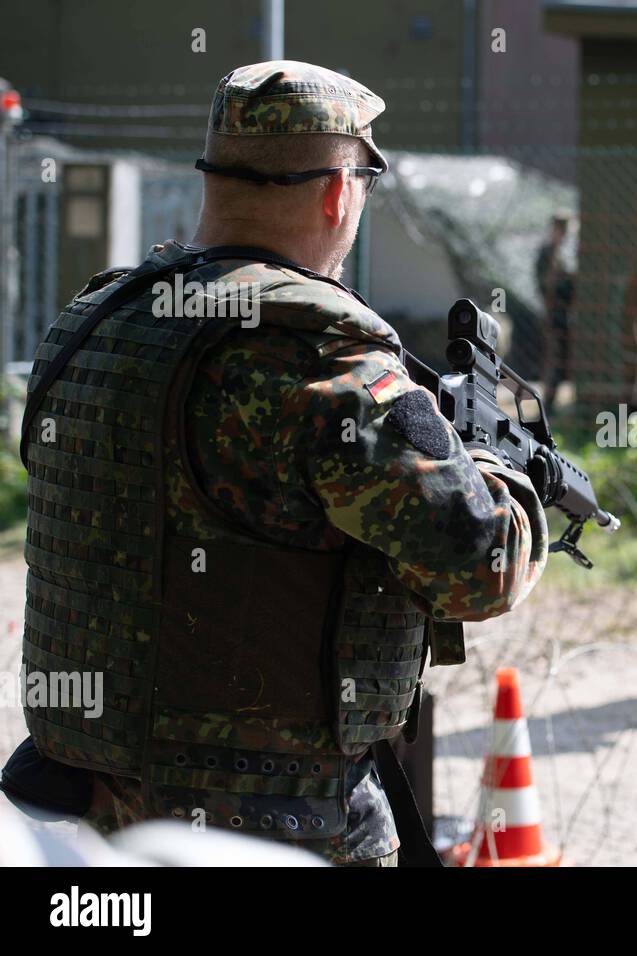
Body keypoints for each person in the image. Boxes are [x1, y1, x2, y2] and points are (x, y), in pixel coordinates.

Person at [1, 61, 555, 866]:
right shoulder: (324, 357)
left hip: (76, 813)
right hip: (268, 827)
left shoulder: (93, 320)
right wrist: (501, 474)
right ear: (338, 191)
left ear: (212, 175)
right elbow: (482, 566)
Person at [535, 209, 576, 396]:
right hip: (553, 312)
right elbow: (546, 284)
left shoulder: (561, 253)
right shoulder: (548, 252)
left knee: (562, 358)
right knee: (553, 358)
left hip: (563, 312)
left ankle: (552, 397)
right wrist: (565, 281)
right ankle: (548, 400)